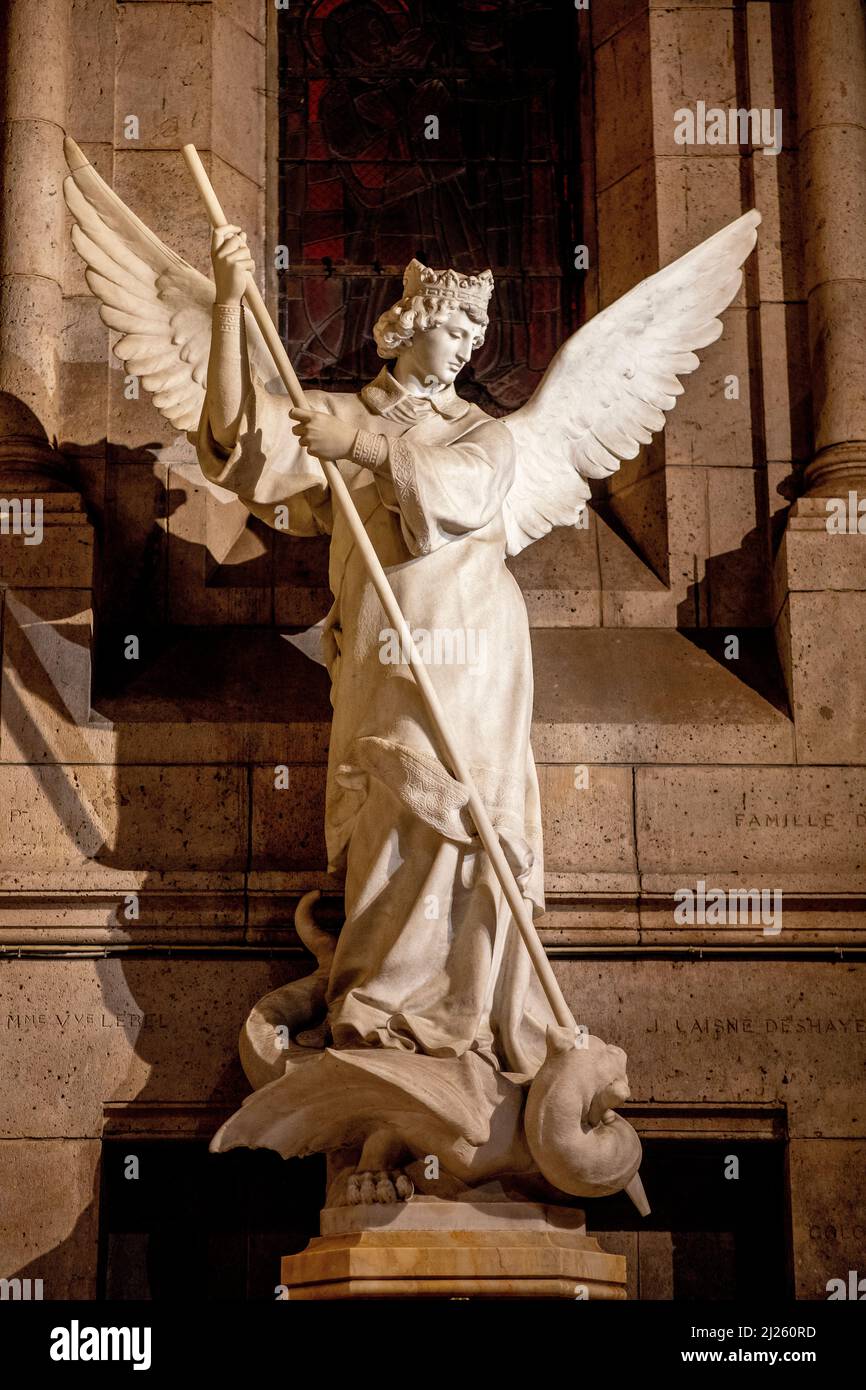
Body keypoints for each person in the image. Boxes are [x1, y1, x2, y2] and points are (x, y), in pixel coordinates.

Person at [197, 225, 557, 1077]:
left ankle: (464, 1013)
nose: (468, 344)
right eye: (455, 325)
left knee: (470, 816)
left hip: (474, 643)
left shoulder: (484, 434)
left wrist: (359, 448)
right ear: (404, 325)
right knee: (398, 806)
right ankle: (382, 1006)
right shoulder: (331, 414)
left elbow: (466, 493)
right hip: (387, 641)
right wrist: (221, 306)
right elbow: (235, 448)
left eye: (478, 333)